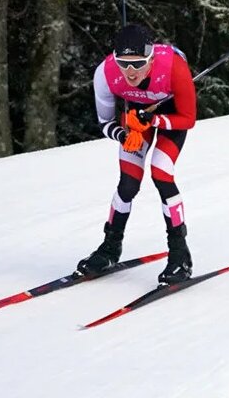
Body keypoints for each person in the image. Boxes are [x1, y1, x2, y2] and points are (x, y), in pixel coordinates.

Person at [75, 24, 197, 285]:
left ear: (151, 58)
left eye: (139, 63)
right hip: (135, 120)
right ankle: (110, 248)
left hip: (170, 118)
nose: (130, 72)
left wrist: (153, 120)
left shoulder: (175, 68)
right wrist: (123, 134)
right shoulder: (105, 73)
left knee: (161, 173)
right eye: (123, 63)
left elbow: (188, 119)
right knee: (128, 183)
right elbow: (104, 122)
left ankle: (180, 256)